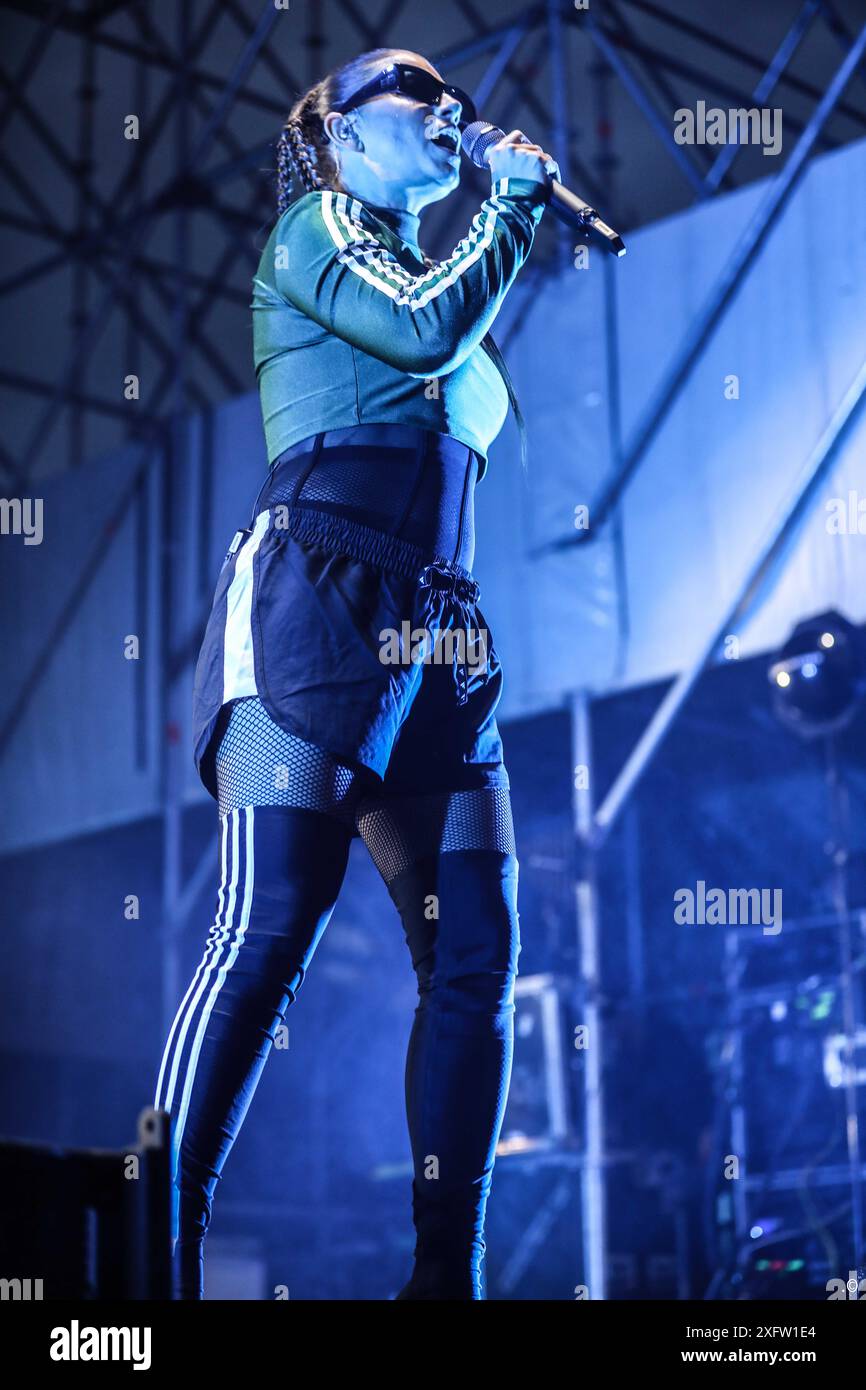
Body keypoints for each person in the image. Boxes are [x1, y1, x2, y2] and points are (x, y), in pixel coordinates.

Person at [153, 45, 556, 1301]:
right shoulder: (318, 225)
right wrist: (510, 205)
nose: (446, 109)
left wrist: (496, 224)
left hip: (435, 630)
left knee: (474, 951)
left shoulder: (431, 262)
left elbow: (444, 349)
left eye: (451, 95)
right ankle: (148, 1249)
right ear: (338, 133)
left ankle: (447, 1278)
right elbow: (424, 329)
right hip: (315, 597)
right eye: (413, 95)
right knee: (269, 925)